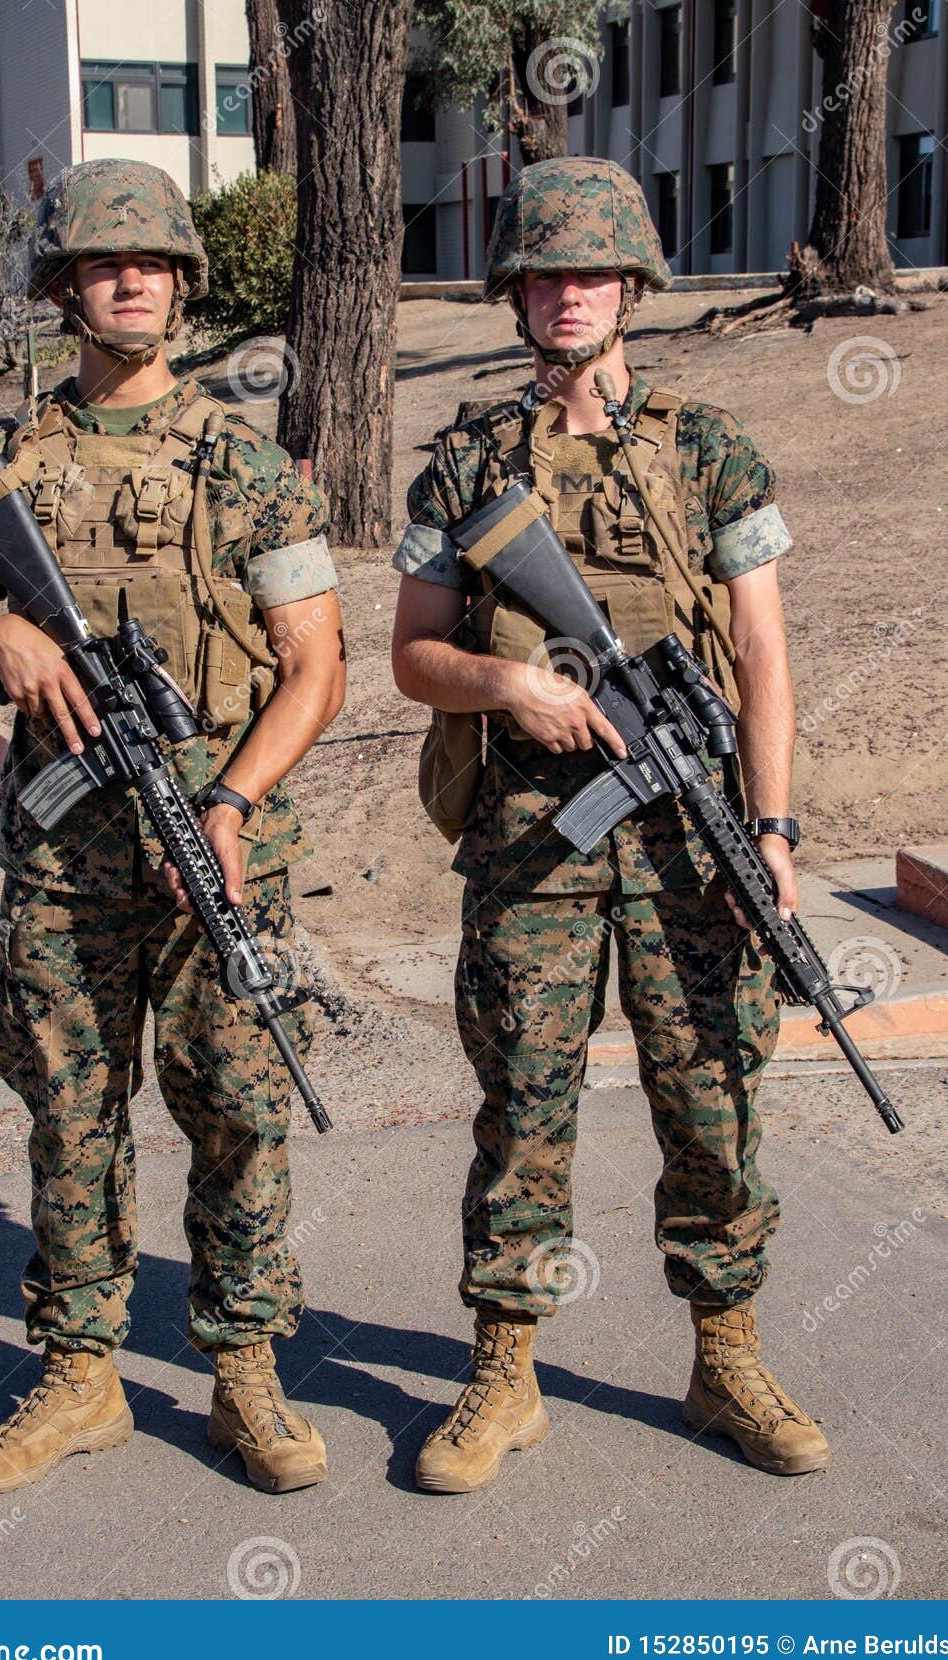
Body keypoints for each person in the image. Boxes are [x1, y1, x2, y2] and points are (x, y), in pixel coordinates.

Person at [390, 156, 829, 1491]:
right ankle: (504, 1369)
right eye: (545, 272)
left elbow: (761, 656)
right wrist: (506, 680)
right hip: (532, 834)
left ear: (630, 284)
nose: (568, 293)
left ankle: (725, 1355)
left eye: (591, 272)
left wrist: (772, 829)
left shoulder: (707, 445)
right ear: (515, 289)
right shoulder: (465, 460)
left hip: (692, 830)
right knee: (522, 1100)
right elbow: (410, 654)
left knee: (709, 1098)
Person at [0, 159, 345, 1496]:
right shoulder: (1, 468)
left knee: (235, 1104)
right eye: (106, 265)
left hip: (216, 843)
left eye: (153, 263)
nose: (133, 280)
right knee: (68, 1107)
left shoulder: (248, 464)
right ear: (65, 289)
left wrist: (228, 801)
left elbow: (316, 668)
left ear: (182, 283)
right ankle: (81, 1371)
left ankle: (243, 1373)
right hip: (61, 852)